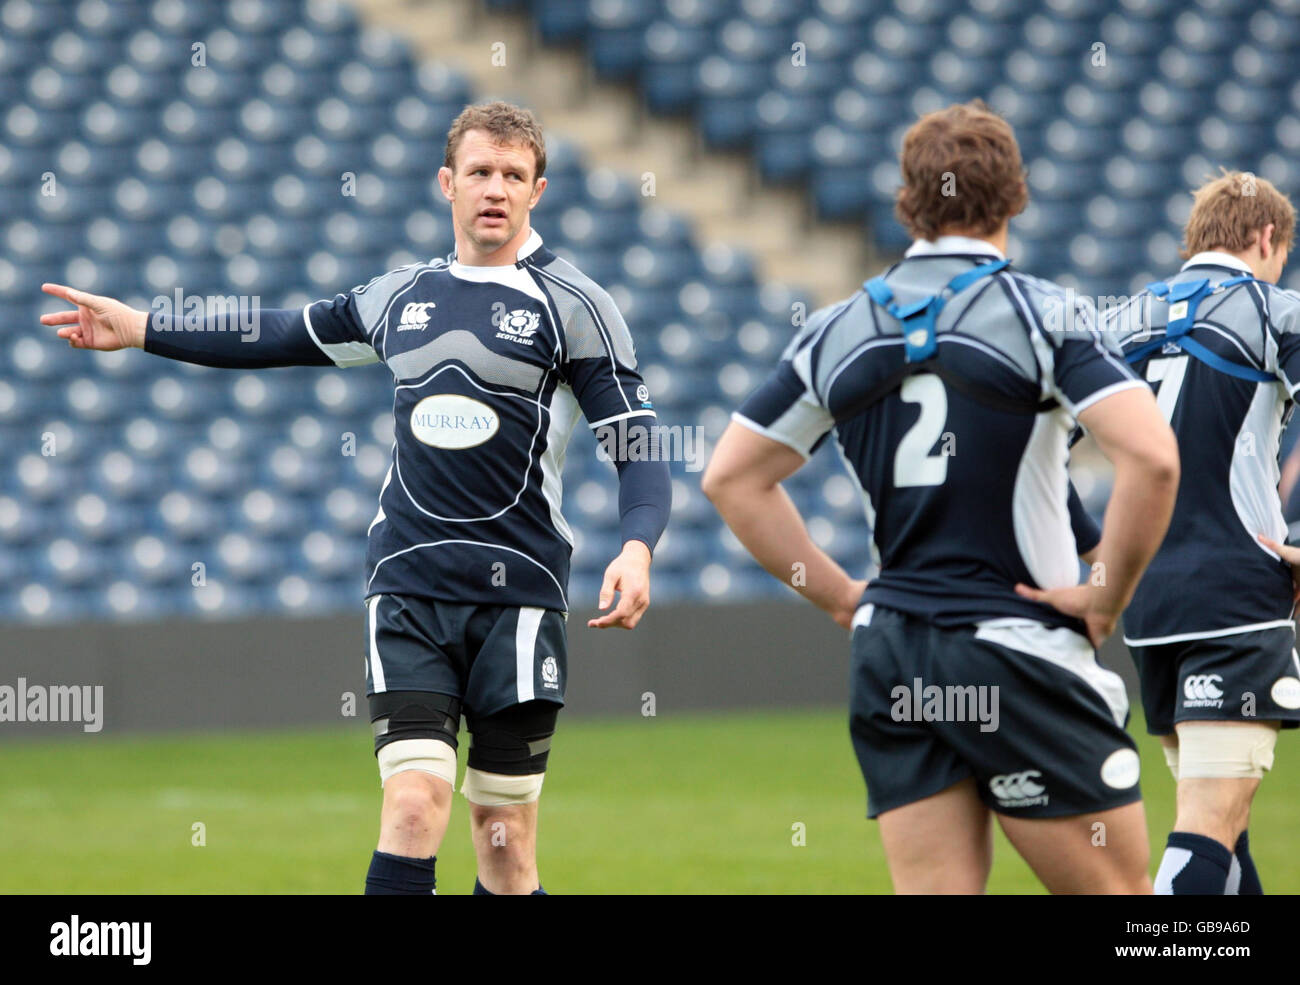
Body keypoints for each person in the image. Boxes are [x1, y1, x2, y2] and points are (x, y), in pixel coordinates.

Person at [40, 101, 672, 895]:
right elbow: (273, 331)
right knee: (413, 804)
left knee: (505, 849)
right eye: (480, 171)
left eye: (514, 175)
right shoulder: (398, 296)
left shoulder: (576, 306)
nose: (495, 189)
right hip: (407, 591)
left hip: (521, 599)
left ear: (538, 190)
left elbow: (637, 442)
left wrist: (639, 542)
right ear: (447, 182)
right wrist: (142, 328)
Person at [703, 100, 1179, 894]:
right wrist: (1106, 597)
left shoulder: (836, 329)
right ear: (1017, 196)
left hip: (892, 651)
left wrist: (841, 597)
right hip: (1017, 646)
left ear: (906, 202)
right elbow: (1154, 459)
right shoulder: (1042, 314)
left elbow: (730, 477)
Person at [1106, 170, 1299, 895]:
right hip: (1237, 596)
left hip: (1148, 604)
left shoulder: (1123, 318)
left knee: (1225, 829)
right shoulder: (1276, 311)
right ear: (1267, 237)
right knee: (1208, 826)